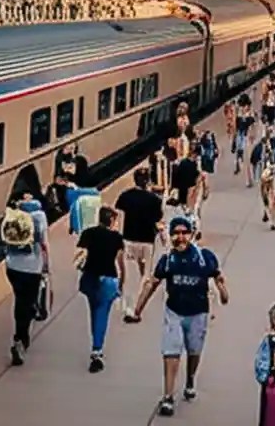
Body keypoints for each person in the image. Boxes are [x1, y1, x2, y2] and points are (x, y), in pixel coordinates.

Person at [134, 215, 229, 417]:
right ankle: (168, 396)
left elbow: (218, 278)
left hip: (198, 313)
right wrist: (138, 309)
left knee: (194, 351)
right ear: (170, 237)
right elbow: (152, 284)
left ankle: (190, 379)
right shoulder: (168, 261)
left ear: (191, 234)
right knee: (171, 352)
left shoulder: (205, 258)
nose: (180, 237)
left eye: (184, 232)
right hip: (174, 312)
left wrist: (223, 292)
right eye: (175, 233)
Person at [0, 191, 50, 365]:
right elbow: (44, 244)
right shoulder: (40, 216)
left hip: (12, 267)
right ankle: (20, 340)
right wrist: (46, 267)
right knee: (26, 303)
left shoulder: (13, 214)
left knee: (20, 300)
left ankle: (21, 337)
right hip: (32, 268)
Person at [74, 207, 125, 372]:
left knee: (94, 310)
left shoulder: (88, 233)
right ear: (112, 221)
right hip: (108, 278)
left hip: (90, 276)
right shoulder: (117, 238)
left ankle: (96, 343)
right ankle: (97, 350)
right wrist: (121, 282)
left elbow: (79, 255)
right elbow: (120, 262)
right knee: (102, 313)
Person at [117, 168, 165, 319]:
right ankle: (137, 306)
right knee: (145, 275)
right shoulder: (154, 200)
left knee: (129, 275)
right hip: (147, 241)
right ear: (148, 181)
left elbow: (119, 215)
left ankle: (126, 306)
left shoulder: (125, 196)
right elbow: (158, 219)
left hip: (129, 239)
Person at [234, 94, 257, 176]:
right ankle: (238, 164)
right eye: (242, 106)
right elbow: (236, 124)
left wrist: (252, 135)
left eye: (244, 106)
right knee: (238, 149)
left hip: (246, 135)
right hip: (240, 133)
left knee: (244, 149)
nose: (243, 108)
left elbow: (253, 125)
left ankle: (246, 169)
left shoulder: (250, 114)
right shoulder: (239, 112)